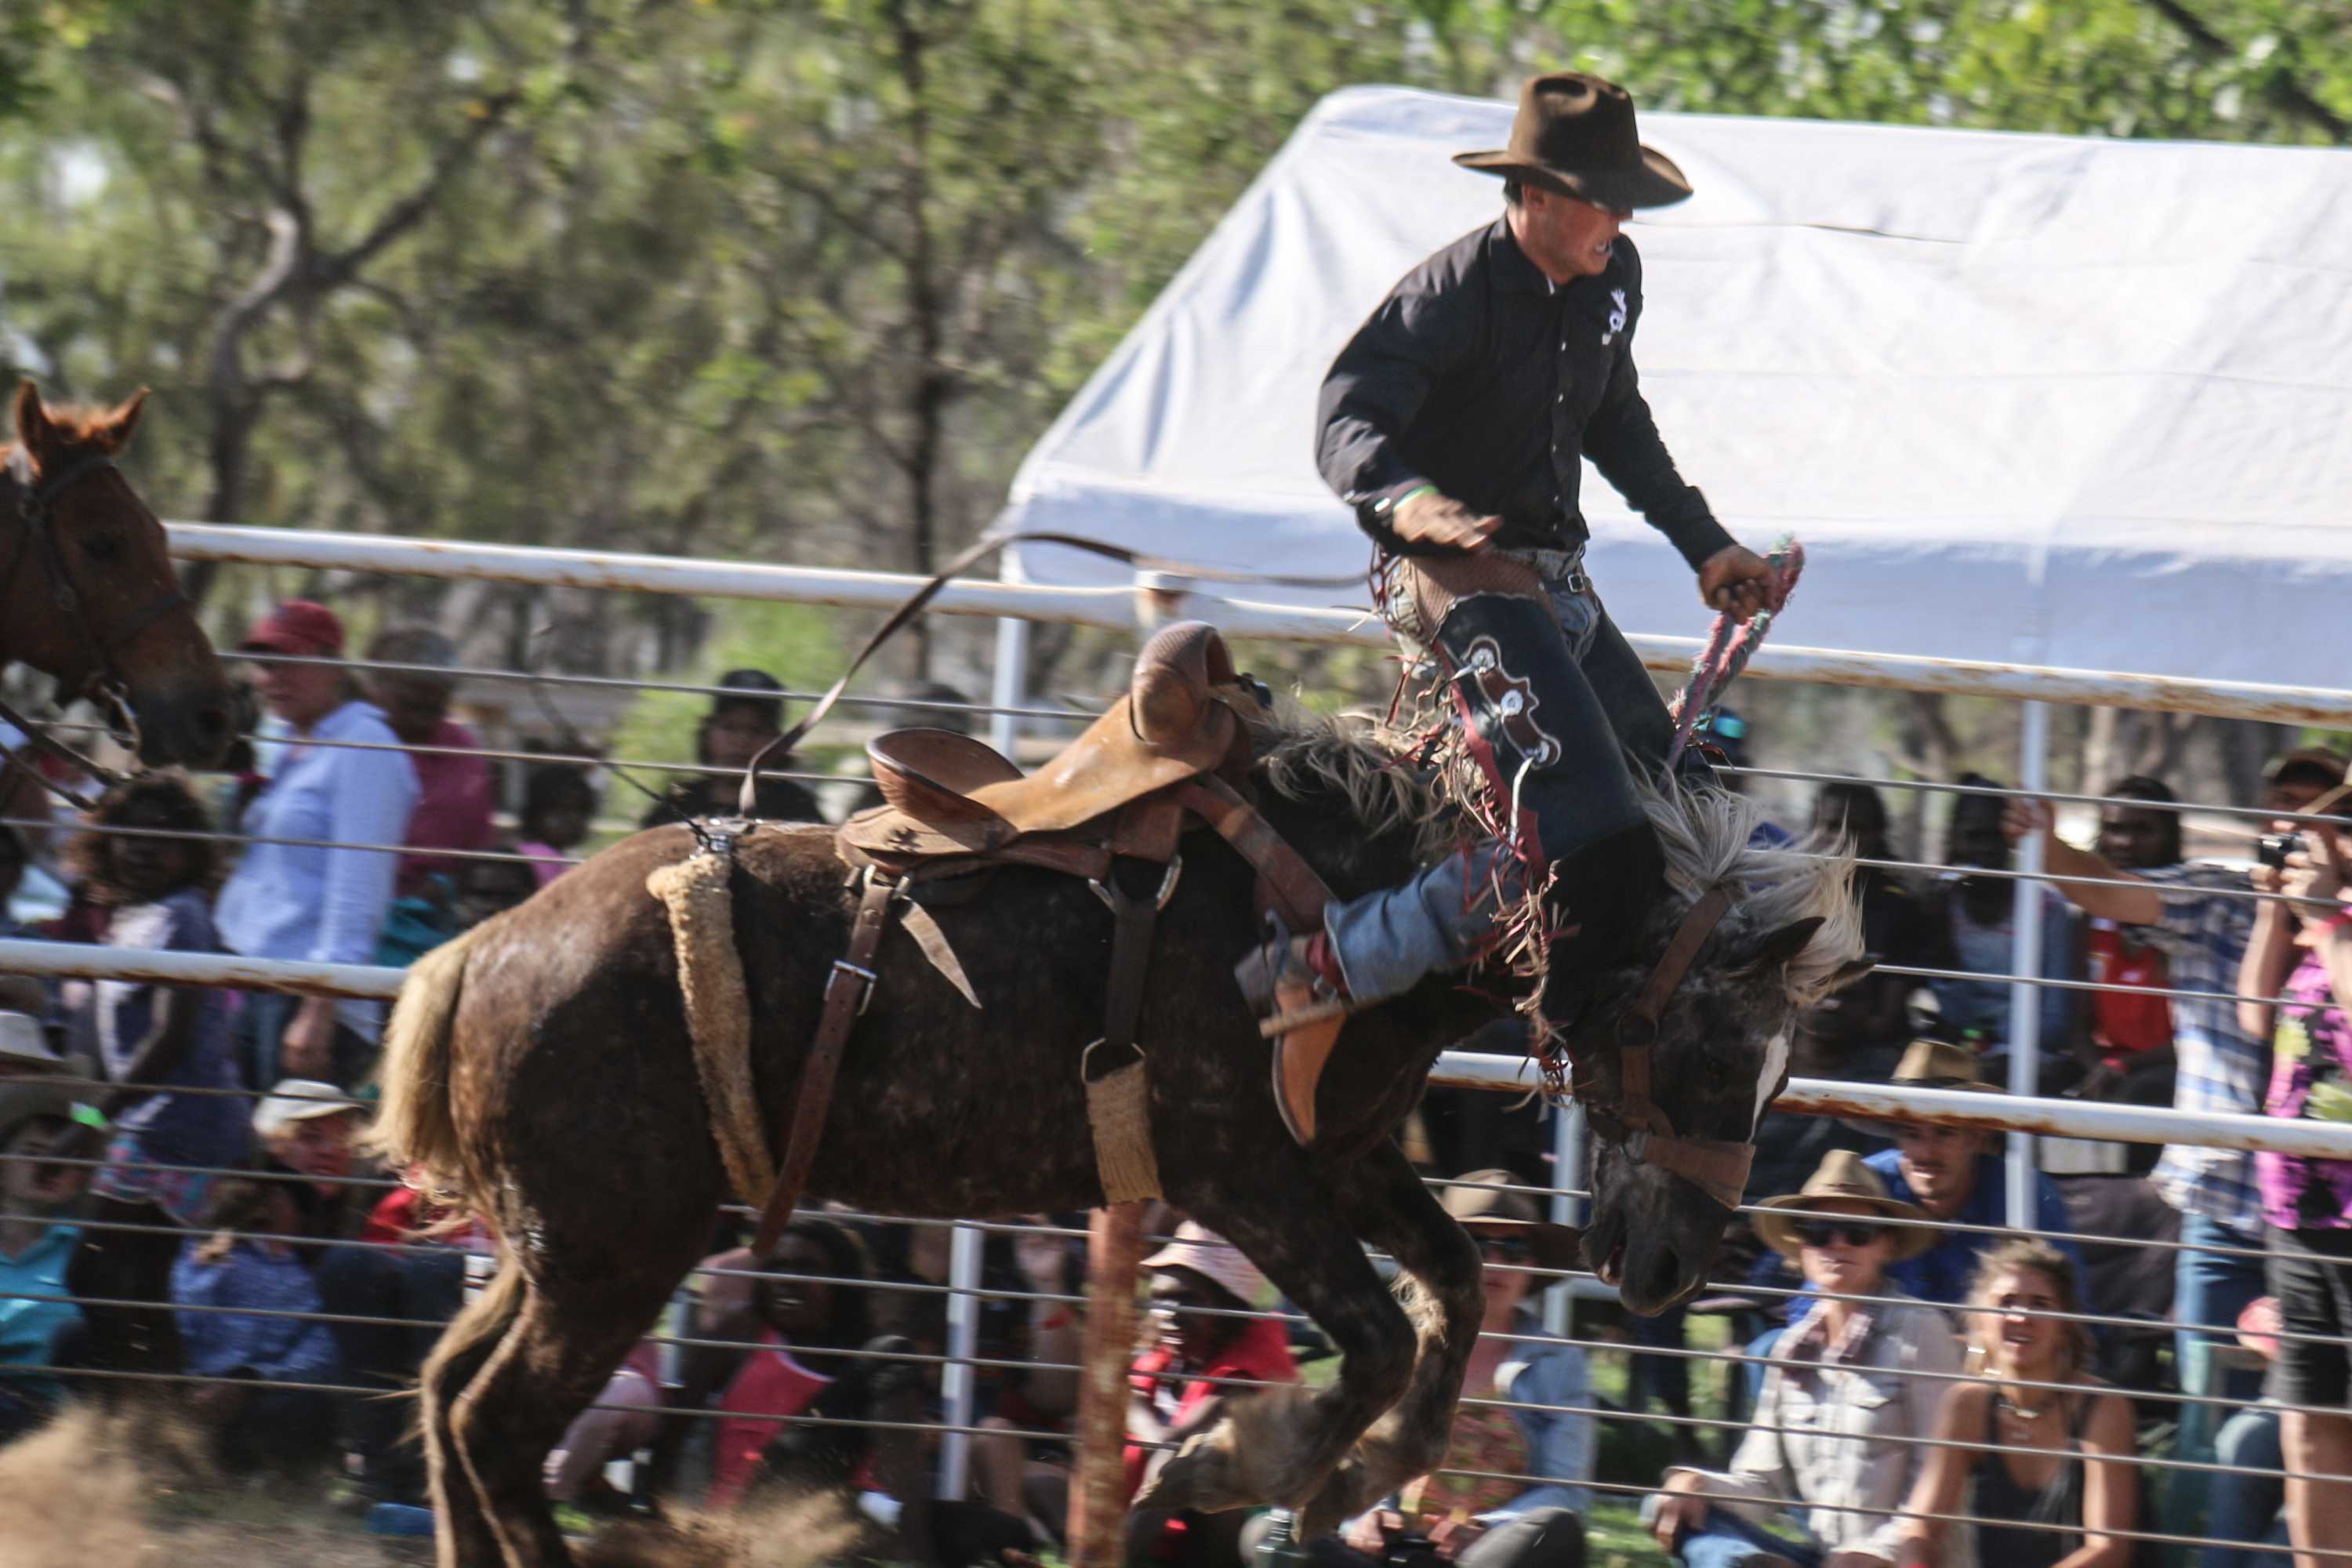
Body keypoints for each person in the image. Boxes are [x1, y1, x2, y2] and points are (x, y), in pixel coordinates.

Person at [1251, 71, 1778, 1141]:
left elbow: (1616, 420)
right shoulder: (1450, 295)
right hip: (1454, 585)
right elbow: (1346, 419)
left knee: (1682, 813)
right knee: (1590, 830)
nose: (1622, 219)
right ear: (1534, 193)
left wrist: (1704, 542)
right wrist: (1411, 505)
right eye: (1602, 194)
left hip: (1551, 590)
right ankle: (1326, 973)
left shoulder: (1609, 279)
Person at [2003, 750, 2343, 1397]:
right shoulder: (2221, 898)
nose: (2291, 820)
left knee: (2305, 1421)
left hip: (2329, 1212)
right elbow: (2104, 887)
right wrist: (2047, 842)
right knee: (2208, 1413)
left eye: (2314, 806)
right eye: (2281, 803)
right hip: (2223, 1199)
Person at [1647, 1151, 1961, 1568]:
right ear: (1801, 1246)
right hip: (1824, 1557)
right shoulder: (1790, 1348)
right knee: (1666, 1504)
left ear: (1885, 1244)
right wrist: (1698, 1485)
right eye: (1819, 1232)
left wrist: (1876, 1554)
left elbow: (1939, 1487)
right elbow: (1761, 1484)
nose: (1837, 1245)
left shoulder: (1921, 1330)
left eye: (1857, 1232)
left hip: (1902, 1559)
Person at [56, 778, 253, 1374]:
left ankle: (146, 1420)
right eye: (130, 835)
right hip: (154, 1122)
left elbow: (168, 1041)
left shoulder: (182, 917)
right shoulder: (134, 917)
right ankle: (156, 1431)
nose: (142, 849)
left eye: (162, 837)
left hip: (180, 1129)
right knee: (136, 1284)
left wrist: (91, 1120)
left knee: (96, 1273)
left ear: (190, 851)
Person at [1308, 1171, 1592, 1568]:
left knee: (1555, 1527)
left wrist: (1485, 1527)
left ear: (1532, 1268)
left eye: (1512, 1248)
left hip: (1490, 1555)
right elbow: (1346, 1462)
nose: (1494, 1262)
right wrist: (1365, 1517)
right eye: (1475, 1244)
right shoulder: (1391, 1344)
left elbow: (1565, 1492)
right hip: (1384, 1552)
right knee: (1276, 1533)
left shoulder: (1561, 1363)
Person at [216, 600, 419, 1088]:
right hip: (257, 983)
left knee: (291, 1160)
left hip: (302, 995)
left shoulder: (364, 745)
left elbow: (358, 891)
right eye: (266, 665)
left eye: (291, 662)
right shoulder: (292, 743)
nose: (273, 677)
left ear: (332, 663)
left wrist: (319, 1009)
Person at [2235, 782, 2352, 1568]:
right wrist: (2276, 910)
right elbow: (2254, 1011)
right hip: (2297, 1210)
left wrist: (2330, 917)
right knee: (2309, 1420)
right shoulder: (2322, 925)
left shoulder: (2337, 928)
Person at [1900, 1240, 2137, 1568]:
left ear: (2064, 1325)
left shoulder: (2103, 1407)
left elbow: (2108, 1550)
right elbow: (1921, 1524)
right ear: (1982, 1319)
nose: (2021, 1317)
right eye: (2006, 1302)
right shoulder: (1967, 1405)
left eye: (2040, 1304)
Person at [1124, 1222, 1300, 1566]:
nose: (1169, 1316)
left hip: (1243, 1532)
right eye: (1160, 1299)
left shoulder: (1247, 1376)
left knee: (1182, 1460)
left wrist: (1124, 1400)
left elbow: (1170, 1441)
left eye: (1187, 1300)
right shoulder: (1168, 1362)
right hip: (1164, 1525)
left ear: (1226, 1306)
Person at [1862, 1041, 2085, 1309]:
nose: (1927, 1152)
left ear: (1978, 1137)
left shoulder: (2024, 1192)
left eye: (1945, 1133)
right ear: (1897, 1139)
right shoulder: (1868, 1184)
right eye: (1912, 1134)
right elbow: (1818, 1298)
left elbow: (2071, 1307)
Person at [170, 1172, 345, 1474]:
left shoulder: (310, 1279)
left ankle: (265, 1478)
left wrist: (251, 1382)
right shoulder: (201, 1254)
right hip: (190, 1384)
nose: (262, 1200)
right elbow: (181, 1316)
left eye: (276, 1194)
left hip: (259, 1396)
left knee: (306, 1406)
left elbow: (320, 1353)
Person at [706, 1217, 876, 1508]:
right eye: (777, 1267)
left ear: (842, 1278)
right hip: (735, 1520)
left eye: (807, 1268)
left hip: (839, 1518)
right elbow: (674, 1431)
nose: (787, 1280)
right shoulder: (741, 1334)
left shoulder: (873, 1356)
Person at [1921, 775, 2078, 1061]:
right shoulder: (1941, 906)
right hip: (1960, 1054)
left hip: (2030, 1058)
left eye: (1995, 836)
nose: (1984, 849)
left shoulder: (2047, 910)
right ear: (1956, 839)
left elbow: (2056, 1025)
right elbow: (1949, 1011)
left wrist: (1993, 1041)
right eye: (1974, 836)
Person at [1804, 783, 1931, 1085]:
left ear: (1876, 836)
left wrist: (1831, 1021)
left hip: (1867, 1056)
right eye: (1833, 826)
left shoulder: (1899, 909)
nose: (1843, 840)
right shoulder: (1791, 900)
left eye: (1858, 828)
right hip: (1800, 1048)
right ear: (1813, 830)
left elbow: (1886, 1021)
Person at [363, 626, 496, 899]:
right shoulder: (353, 741)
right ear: (377, 687)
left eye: (436, 702)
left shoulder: (463, 748)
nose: (423, 715)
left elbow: (478, 843)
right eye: (411, 701)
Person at [0, 1084, 95, 1440]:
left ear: (79, 1178)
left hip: (60, 1414)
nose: (48, 1165)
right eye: (33, 1152)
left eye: (64, 1156)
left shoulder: (92, 1250)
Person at [639, 670, 826, 829]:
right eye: (729, 728)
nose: (742, 741)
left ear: (777, 741)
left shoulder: (795, 807)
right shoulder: (679, 803)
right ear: (708, 732)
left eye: (756, 730)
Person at [516, 764, 599, 887]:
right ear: (535, 814)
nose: (573, 820)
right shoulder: (542, 857)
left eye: (580, 811)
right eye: (561, 811)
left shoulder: (555, 858)